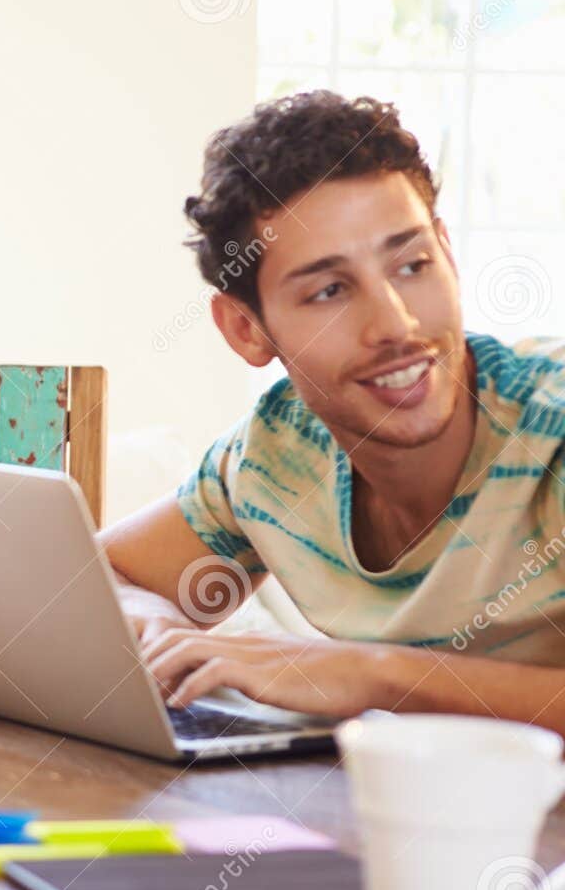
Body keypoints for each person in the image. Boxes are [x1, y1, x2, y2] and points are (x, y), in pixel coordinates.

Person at [102, 91, 565, 736]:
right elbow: (95, 581)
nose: (397, 325)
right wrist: (157, 628)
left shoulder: (553, 429)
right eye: (329, 291)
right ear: (245, 328)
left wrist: (370, 675)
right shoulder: (277, 455)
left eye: (412, 264)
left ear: (449, 254)